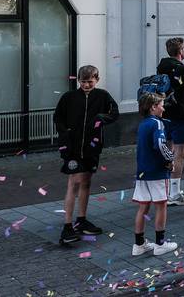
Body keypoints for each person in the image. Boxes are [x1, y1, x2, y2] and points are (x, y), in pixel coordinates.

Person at [53, 65, 119, 246]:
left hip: (92, 147)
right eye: (83, 82)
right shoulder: (69, 97)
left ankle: (81, 220)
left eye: (90, 82)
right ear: (78, 81)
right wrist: (65, 133)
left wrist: (101, 118)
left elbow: (115, 113)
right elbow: (58, 117)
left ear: (97, 80)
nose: (86, 85)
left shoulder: (103, 96)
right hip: (72, 148)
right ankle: (67, 226)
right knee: (73, 183)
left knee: (87, 181)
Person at [132, 92, 178, 256]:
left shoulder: (143, 124)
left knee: (143, 207)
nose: (163, 108)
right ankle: (160, 244)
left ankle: (138, 244)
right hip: (157, 171)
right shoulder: (157, 124)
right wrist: (171, 159)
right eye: (161, 105)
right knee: (161, 206)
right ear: (153, 107)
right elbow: (159, 144)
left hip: (142, 171)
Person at [156, 37, 184, 207]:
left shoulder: (161, 67)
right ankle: (174, 193)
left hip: (164, 114)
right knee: (180, 153)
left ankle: (164, 191)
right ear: (180, 51)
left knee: (167, 151)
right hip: (180, 115)